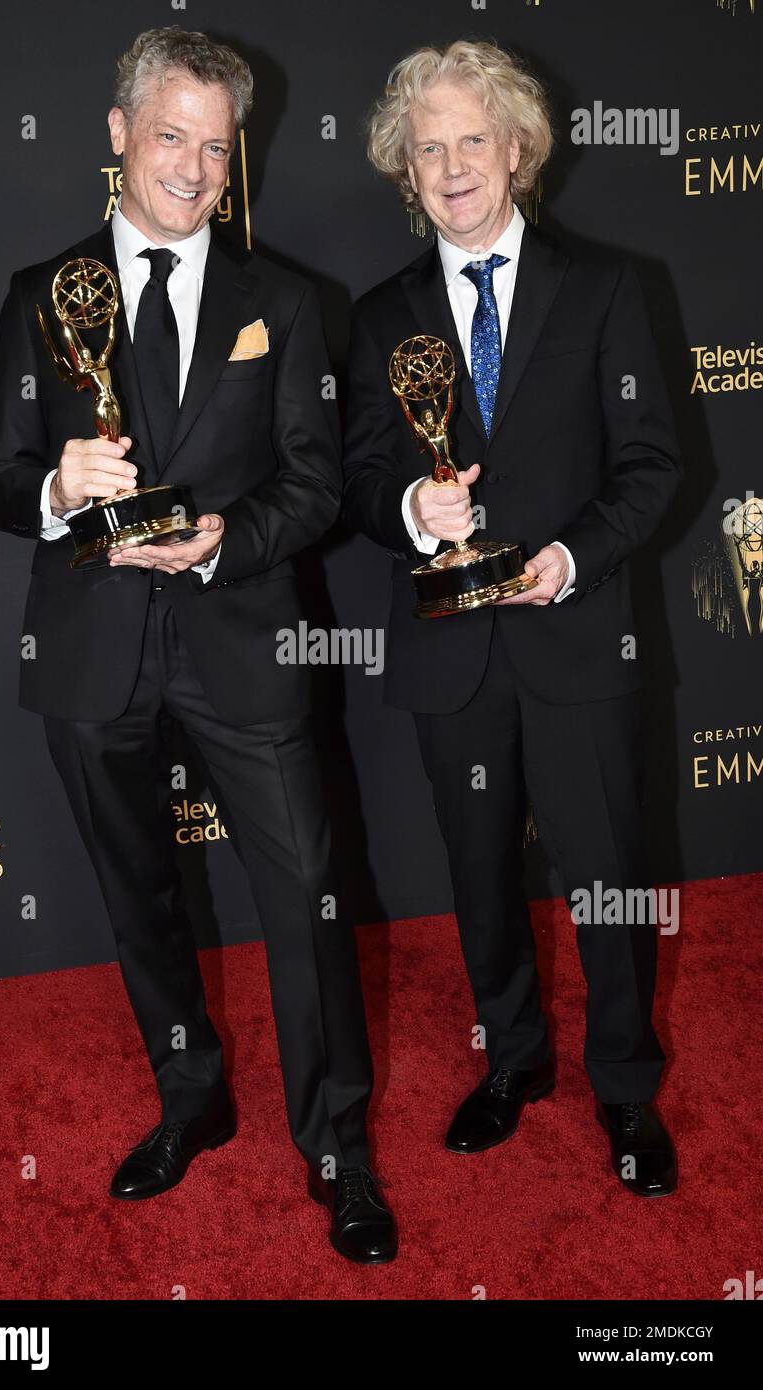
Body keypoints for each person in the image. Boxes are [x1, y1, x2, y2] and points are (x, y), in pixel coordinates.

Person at [0, 26, 396, 1262]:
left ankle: (338, 1149)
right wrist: (57, 482)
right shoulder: (39, 294)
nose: (194, 168)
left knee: (305, 894)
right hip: (93, 650)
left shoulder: (287, 303)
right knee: (139, 897)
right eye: (171, 136)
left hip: (241, 641)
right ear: (118, 135)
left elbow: (314, 489)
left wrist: (219, 539)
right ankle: (190, 1097)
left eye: (217, 147)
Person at [342, 39, 681, 1197]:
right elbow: (354, 478)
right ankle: (514, 1063)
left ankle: (626, 1089)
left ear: (518, 149)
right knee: (481, 876)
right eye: (425, 148)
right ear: (403, 169)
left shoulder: (607, 288)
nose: (449, 167)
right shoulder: (380, 315)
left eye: (469, 140)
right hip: (453, 653)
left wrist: (571, 559)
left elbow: (650, 466)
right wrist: (409, 504)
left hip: (577, 637)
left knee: (605, 874)